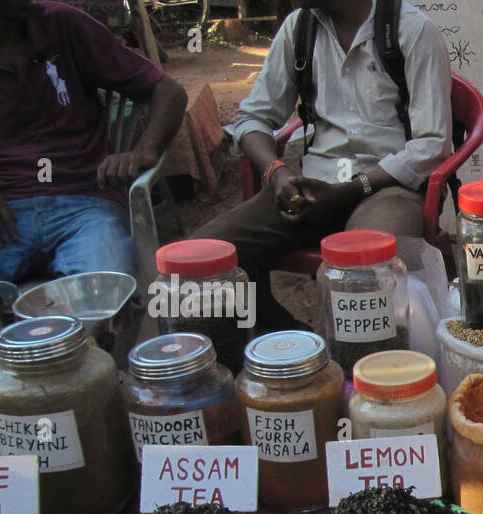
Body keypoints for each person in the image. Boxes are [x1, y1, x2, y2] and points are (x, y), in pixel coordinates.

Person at [193, 0, 452, 331]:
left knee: (364, 275)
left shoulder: (412, 31)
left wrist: (352, 190)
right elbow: (253, 118)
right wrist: (277, 173)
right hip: (312, 190)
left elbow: (431, 144)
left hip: (389, 187)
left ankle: (363, 370)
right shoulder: (298, 29)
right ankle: (293, 346)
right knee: (201, 265)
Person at [0, 0, 187, 284]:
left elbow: (169, 92)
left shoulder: (61, 23)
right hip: (5, 214)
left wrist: (144, 151)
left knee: (107, 298)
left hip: (85, 204)